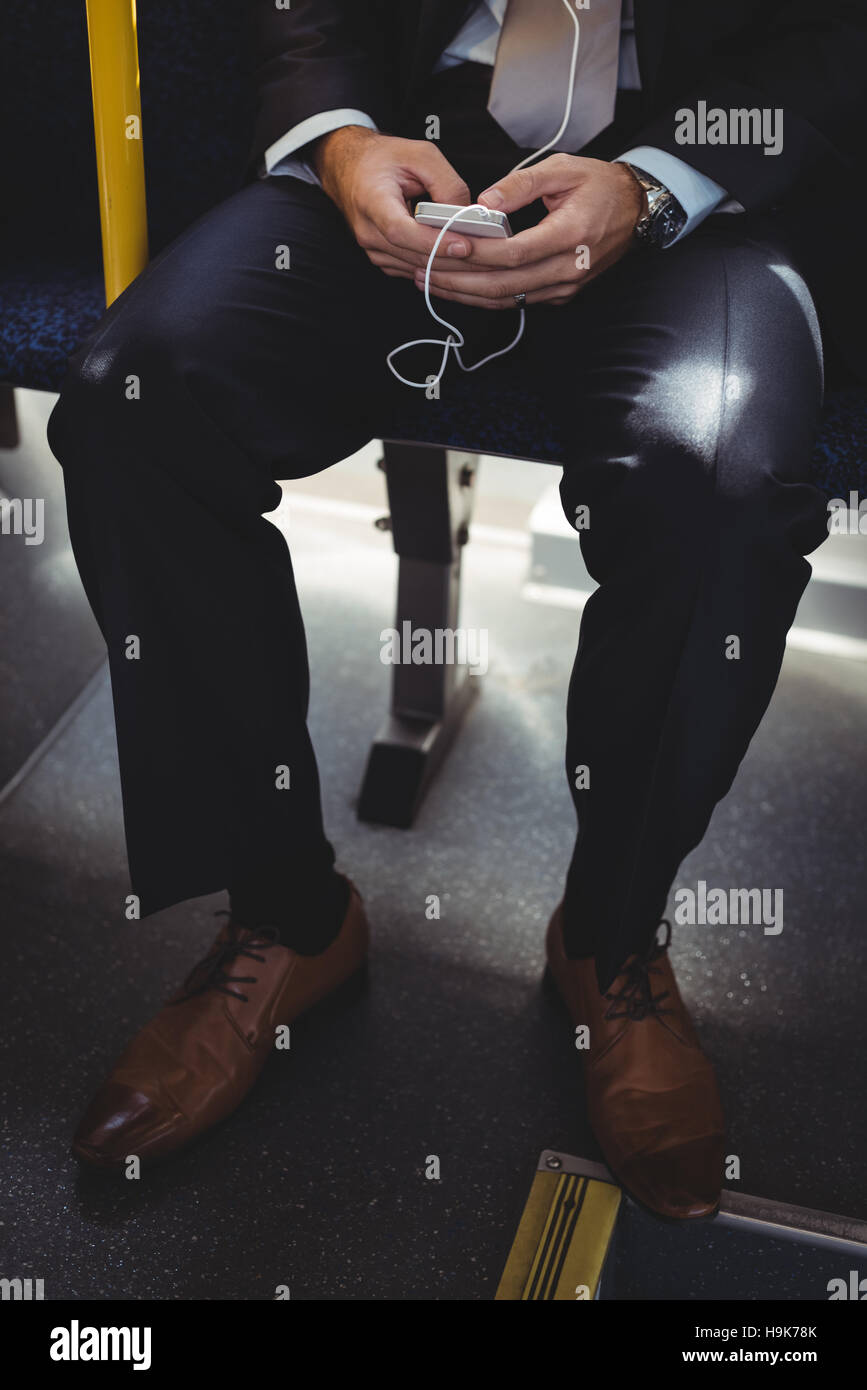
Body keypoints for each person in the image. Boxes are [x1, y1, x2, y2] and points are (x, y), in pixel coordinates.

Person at [47, 0, 865, 1219]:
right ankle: (286, 912)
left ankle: (611, 939)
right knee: (133, 402)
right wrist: (337, 143)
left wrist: (651, 186)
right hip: (407, 145)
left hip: (695, 182)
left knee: (720, 492)